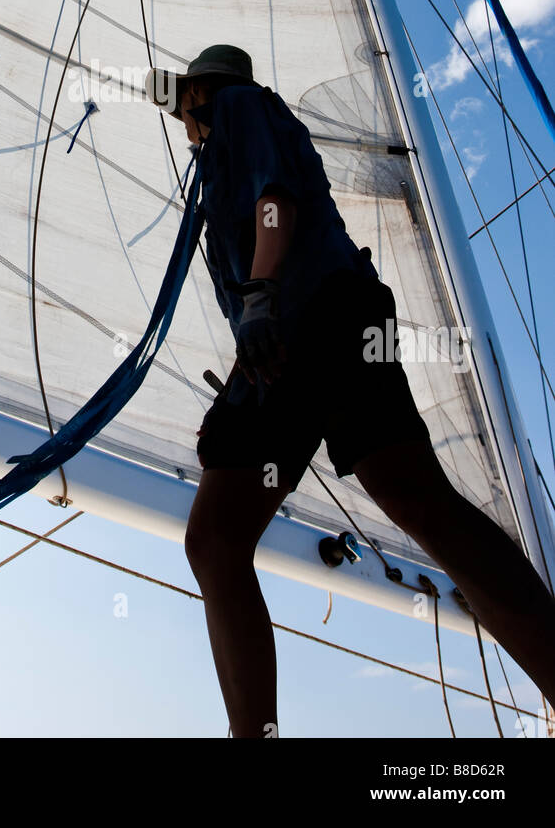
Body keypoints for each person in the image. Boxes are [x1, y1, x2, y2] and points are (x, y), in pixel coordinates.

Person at [146, 44, 555, 737]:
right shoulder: (212, 167)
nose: (182, 120)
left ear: (200, 93)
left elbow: (275, 203)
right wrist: (243, 379)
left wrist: (260, 296)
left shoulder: (241, 107)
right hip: (293, 341)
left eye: (183, 102)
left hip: (324, 316)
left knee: (397, 496)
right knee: (229, 535)